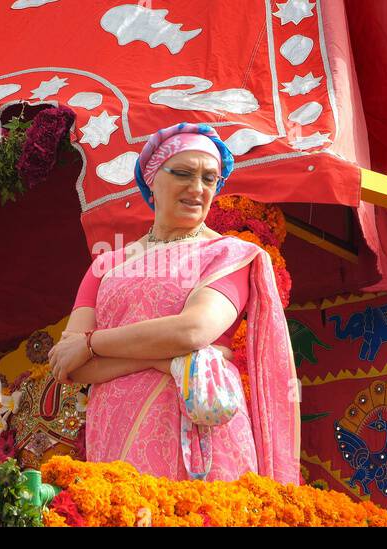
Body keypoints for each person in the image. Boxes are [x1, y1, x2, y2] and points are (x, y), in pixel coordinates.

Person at [48, 123, 299, 483]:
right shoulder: (107, 266)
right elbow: (69, 364)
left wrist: (92, 344)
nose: (197, 188)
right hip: (117, 429)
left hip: (202, 432)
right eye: (182, 173)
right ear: (151, 178)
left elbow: (193, 330)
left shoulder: (228, 254)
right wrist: (170, 360)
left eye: (209, 179)